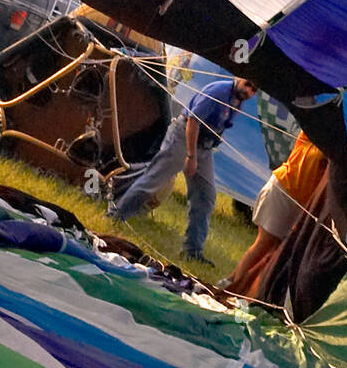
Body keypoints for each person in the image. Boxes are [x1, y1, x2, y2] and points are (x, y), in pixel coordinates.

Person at [106, 75, 257, 264]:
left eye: (254, 90)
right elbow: (193, 121)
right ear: (238, 78)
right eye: (248, 84)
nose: (249, 91)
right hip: (184, 137)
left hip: (204, 146)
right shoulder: (218, 91)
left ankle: (192, 251)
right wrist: (191, 156)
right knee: (153, 180)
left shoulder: (237, 99)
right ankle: (116, 216)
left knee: (206, 196)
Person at [220, 130, 327, 299]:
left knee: (274, 251)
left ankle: (241, 288)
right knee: (264, 244)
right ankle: (230, 285)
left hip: (300, 203)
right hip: (283, 189)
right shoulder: (314, 132)